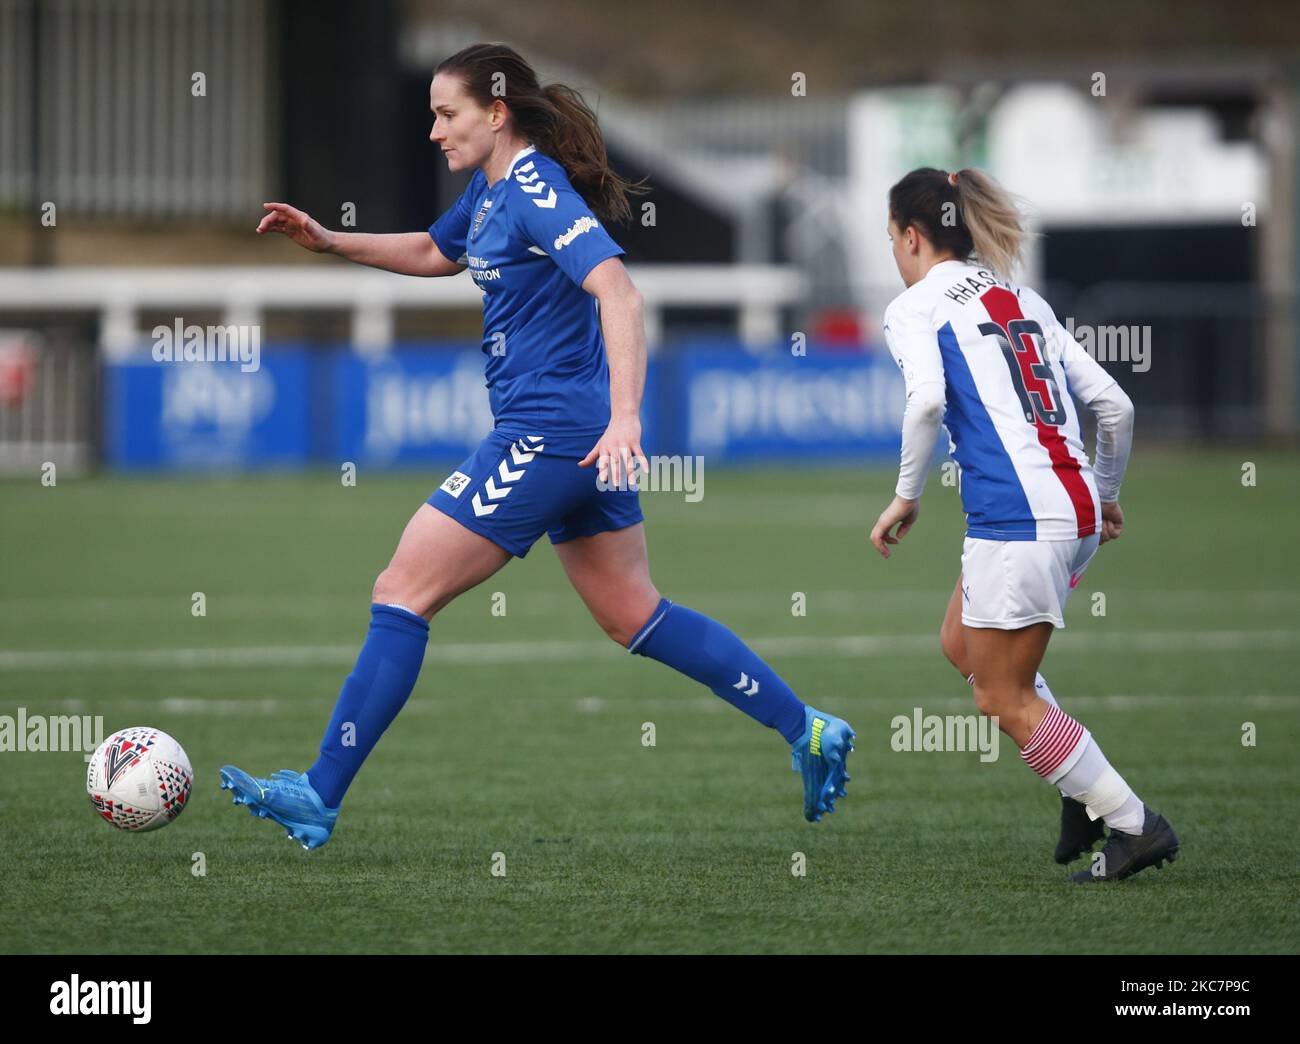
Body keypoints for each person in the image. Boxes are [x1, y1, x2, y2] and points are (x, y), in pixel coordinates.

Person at [219, 43, 854, 848]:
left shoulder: (532, 188)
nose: (434, 132)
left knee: (401, 590)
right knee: (633, 615)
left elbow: (617, 290)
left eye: (446, 115)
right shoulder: (489, 197)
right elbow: (434, 251)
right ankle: (808, 729)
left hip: (553, 435)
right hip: (574, 439)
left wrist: (628, 417)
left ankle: (319, 790)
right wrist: (332, 242)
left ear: (496, 112)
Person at [869, 167, 1178, 883]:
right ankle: (1079, 787)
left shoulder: (915, 307)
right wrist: (1102, 493)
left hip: (1019, 520)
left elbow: (923, 405)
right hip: (1072, 515)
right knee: (961, 643)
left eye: (892, 237)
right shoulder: (1018, 295)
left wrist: (906, 496)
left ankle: (1132, 824)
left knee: (1000, 697)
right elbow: (1117, 407)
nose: (894, 251)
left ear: (913, 236)